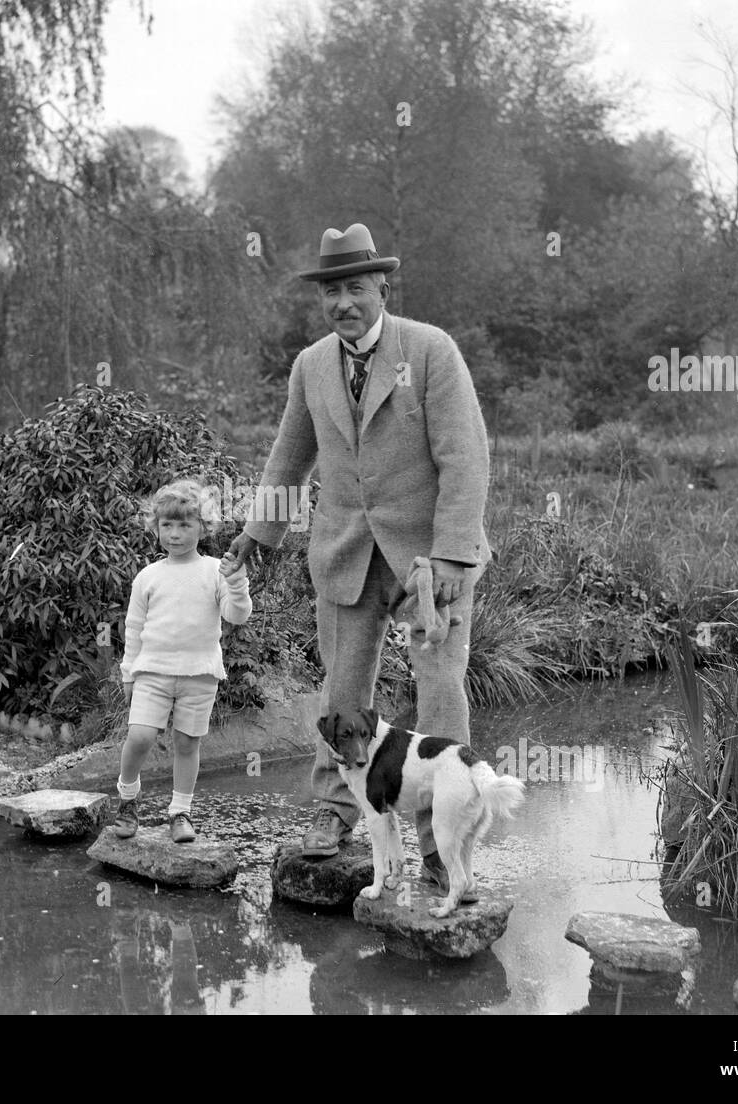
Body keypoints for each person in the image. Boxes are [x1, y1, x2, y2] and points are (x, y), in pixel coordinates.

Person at [226, 223, 491, 892]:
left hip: (429, 562)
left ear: (381, 287)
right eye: (331, 291)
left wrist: (456, 556)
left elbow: (465, 457)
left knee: (439, 687)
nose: (343, 302)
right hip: (345, 552)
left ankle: (439, 837)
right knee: (342, 691)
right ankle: (335, 808)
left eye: (355, 287)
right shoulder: (312, 364)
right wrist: (260, 531)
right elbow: (291, 455)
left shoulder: (430, 352)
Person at [115, 479, 252, 843]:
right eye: (167, 525)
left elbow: (236, 615)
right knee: (140, 736)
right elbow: (134, 627)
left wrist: (237, 582)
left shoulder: (214, 571)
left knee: (187, 743)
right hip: (152, 673)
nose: (174, 534)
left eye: (185, 525)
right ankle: (127, 800)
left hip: (199, 675)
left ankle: (180, 813)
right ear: (156, 527)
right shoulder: (148, 576)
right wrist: (129, 673)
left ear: (203, 527)